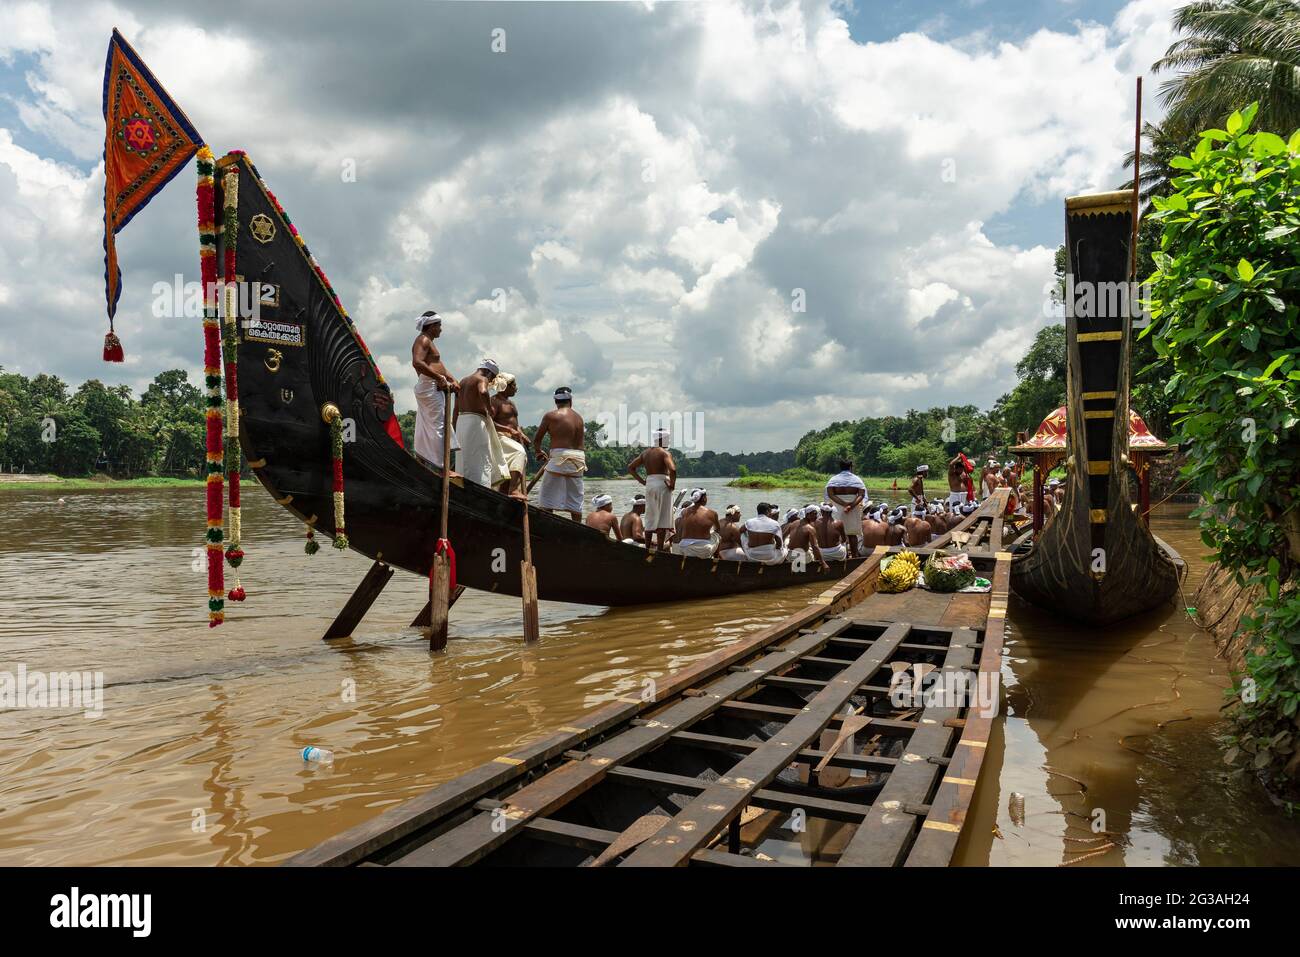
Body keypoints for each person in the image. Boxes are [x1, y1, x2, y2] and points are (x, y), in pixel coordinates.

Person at [411, 311, 459, 469]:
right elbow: (417, 362)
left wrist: (450, 378)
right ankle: (441, 467)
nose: (441, 329)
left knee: (426, 426)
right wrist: (438, 378)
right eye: (439, 325)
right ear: (431, 326)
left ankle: (420, 463)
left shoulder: (429, 341)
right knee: (439, 425)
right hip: (429, 386)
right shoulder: (423, 340)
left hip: (432, 385)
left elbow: (438, 365)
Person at [533, 386, 586, 521]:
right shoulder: (579, 418)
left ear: (556, 401)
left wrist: (538, 451)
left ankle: (548, 527)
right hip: (579, 460)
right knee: (575, 502)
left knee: (546, 499)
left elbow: (537, 439)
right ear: (571, 400)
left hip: (560, 457)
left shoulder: (551, 416)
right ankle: (577, 531)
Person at [454, 359, 510, 488]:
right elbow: (483, 392)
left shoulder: (463, 381)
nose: (491, 382)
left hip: (462, 423)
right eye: (493, 378)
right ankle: (481, 488)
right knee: (482, 458)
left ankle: (464, 488)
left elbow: (456, 408)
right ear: (488, 372)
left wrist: (454, 426)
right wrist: (489, 408)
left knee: (464, 458)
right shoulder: (482, 379)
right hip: (475, 423)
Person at [626, 427, 676, 551]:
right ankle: (659, 550)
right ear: (661, 439)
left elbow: (631, 468)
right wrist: (672, 485)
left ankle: (647, 548)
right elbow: (673, 470)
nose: (668, 441)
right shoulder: (665, 453)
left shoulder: (645, 453)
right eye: (667, 439)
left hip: (650, 484)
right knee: (663, 518)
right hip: (662, 485)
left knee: (650, 517)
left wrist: (642, 481)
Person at [490, 372, 528, 498]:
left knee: (512, 466)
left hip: (512, 439)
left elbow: (515, 424)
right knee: (520, 453)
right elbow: (489, 421)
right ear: (505, 386)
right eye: (514, 385)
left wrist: (521, 434)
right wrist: (508, 430)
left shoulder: (511, 403)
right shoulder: (495, 401)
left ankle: (504, 495)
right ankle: (513, 490)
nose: (516, 388)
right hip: (499, 437)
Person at [826, 459, 866, 558]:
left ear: (840, 467)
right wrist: (850, 505)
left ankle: (844, 556)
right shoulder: (857, 479)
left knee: (838, 532)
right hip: (853, 506)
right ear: (851, 467)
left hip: (838, 507)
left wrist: (844, 504)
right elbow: (861, 495)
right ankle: (855, 555)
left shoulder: (833, 479)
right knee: (852, 534)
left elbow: (830, 494)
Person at [675, 488, 721, 558]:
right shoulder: (712, 513)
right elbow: (718, 529)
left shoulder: (684, 512)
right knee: (717, 535)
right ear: (704, 498)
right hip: (703, 550)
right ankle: (716, 559)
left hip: (684, 548)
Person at [786, 506, 829, 571]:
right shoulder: (810, 528)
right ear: (807, 514)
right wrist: (823, 563)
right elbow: (815, 547)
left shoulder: (793, 523)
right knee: (813, 549)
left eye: (816, 514)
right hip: (800, 558)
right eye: (814, 514)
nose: (816, 516)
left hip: (790, 556)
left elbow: (783, 537)